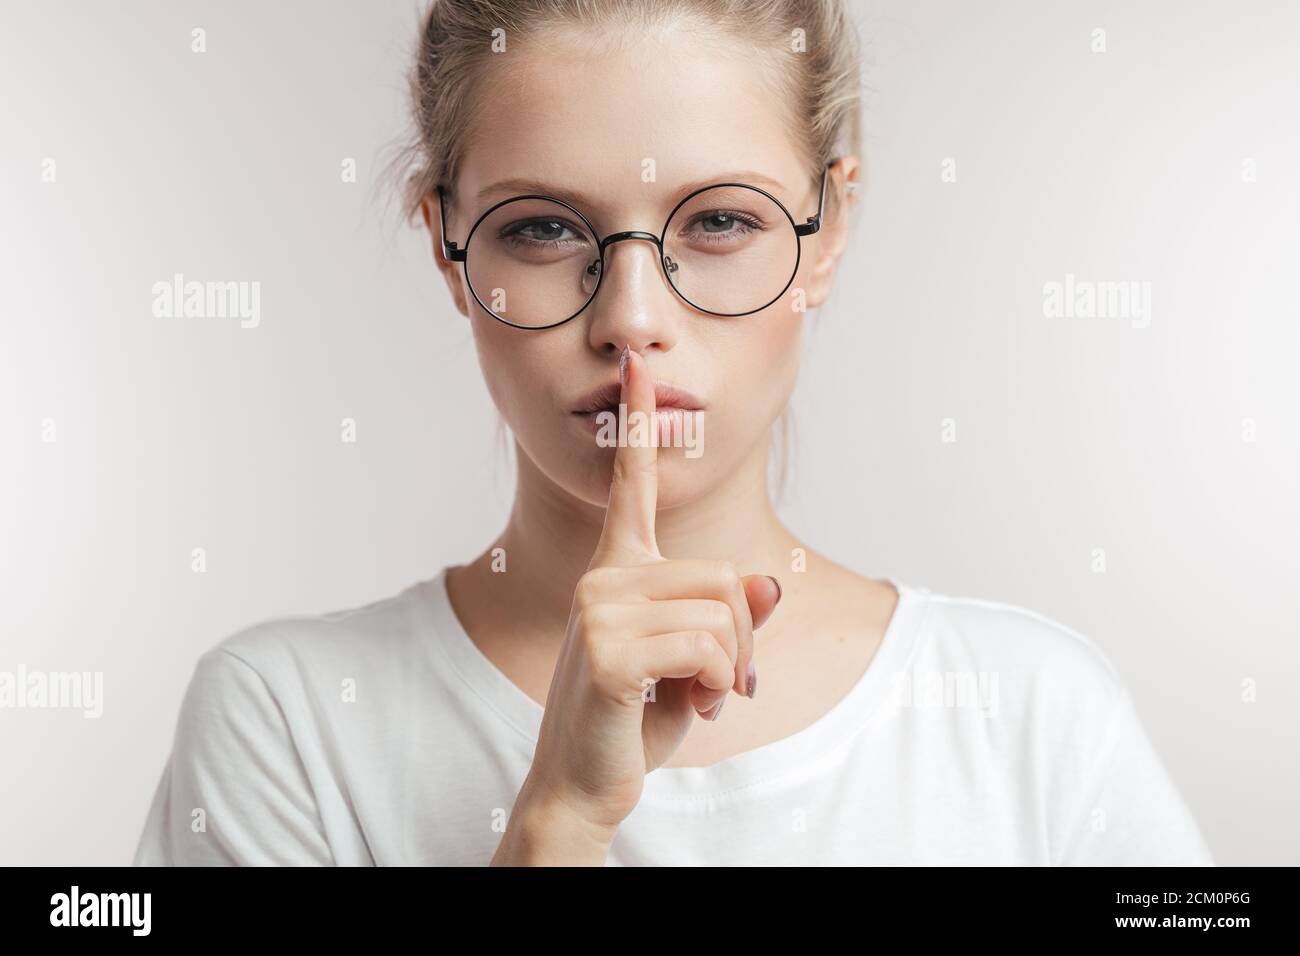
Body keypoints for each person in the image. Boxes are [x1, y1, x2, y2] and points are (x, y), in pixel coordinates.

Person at [133, 0, 1213, 866]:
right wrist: (555, 822)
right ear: (447, 245)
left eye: (721, 221)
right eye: (544, 228)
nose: (632, 319)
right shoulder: (284, 718)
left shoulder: (1030, 714)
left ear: (827, 227)